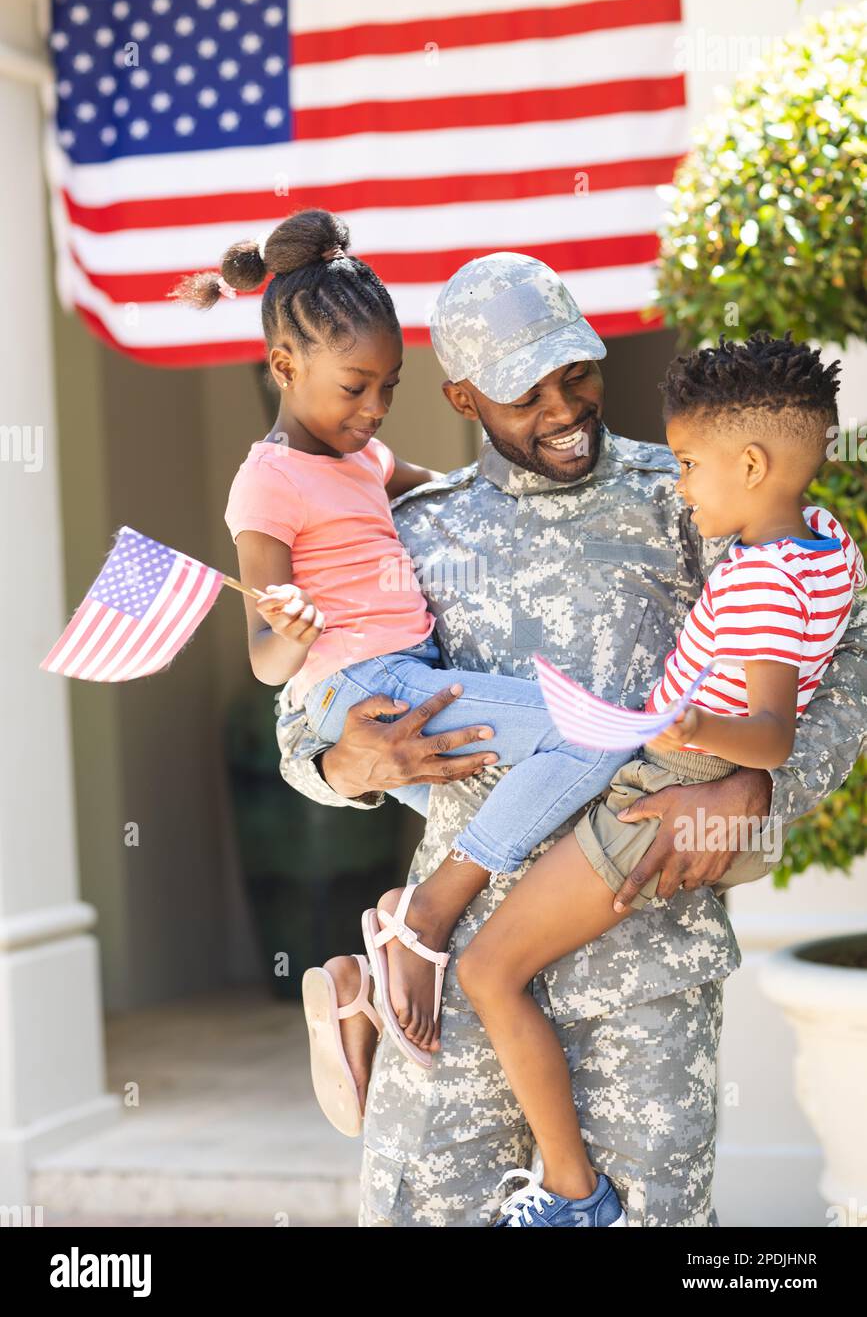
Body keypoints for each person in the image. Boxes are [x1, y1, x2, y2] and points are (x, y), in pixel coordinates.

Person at [276, 252, 867, 1227]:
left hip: (646, 971)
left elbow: (845, 655)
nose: (565, 406)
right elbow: (304, 716)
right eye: (526, 390)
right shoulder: (411, 535)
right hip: (456, 982)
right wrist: (351, 762)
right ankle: (365, 983)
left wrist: (760, 790)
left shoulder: (693, 492)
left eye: (578, 373)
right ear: (464, 396)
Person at [176, 208, 628, 1075]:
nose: (377, 409)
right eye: (355, 387)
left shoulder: (361, 461)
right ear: (283, 367)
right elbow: (264, 660)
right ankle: (418, 919)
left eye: (390, 385)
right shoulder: (267, 482)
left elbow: (451, 487)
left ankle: (361, 984)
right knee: (591, 732)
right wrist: (288, 627)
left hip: (406, 674)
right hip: (360, 688)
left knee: (520, 832)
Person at [454, 332, 865, 1226]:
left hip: (666, 785)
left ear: (750, 464)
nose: (679, 483)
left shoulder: (758, 577)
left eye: (688, 464)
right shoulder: (828, 546)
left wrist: (692, 724)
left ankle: (572, 1197)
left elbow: (768, 736)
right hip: (665, 770)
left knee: (487, 970)